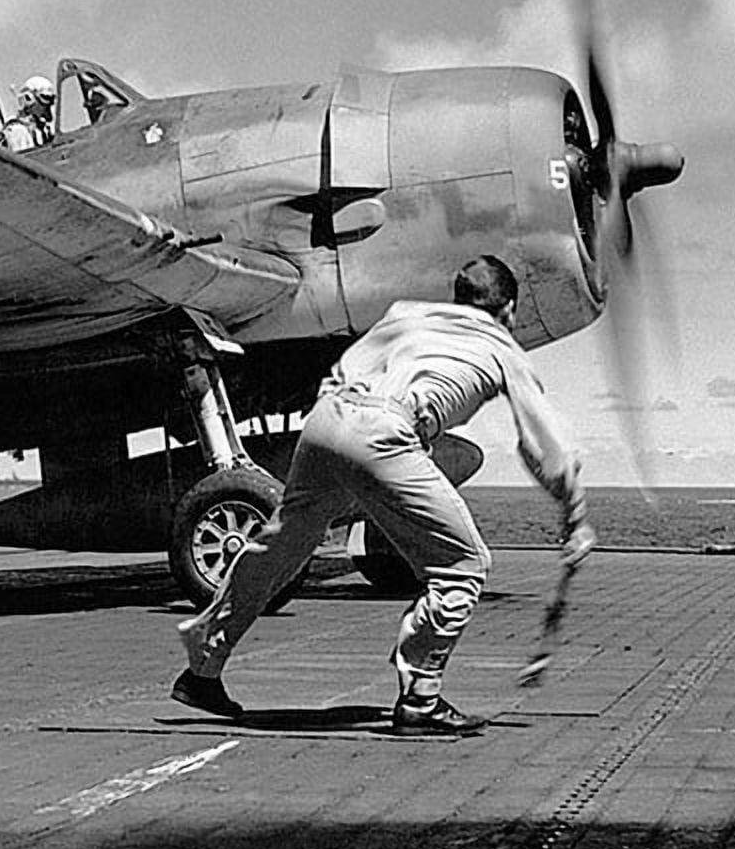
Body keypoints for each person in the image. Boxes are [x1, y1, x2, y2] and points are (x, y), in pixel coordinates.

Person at [173, 254, 594, 737]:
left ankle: (203, 669)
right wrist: (575, 515)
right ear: (509, 309)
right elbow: (543, 446)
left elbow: (348, 367)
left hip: (326, 420)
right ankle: (420, 698)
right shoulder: (502, 347)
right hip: (383, 431)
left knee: (282, 548)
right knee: (462, 565)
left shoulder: (406, 314)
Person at [1, 75, 56, 151]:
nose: (47, 107)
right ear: (28, 98)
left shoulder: (45, 131)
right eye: (45, 98)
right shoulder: (18, 132)